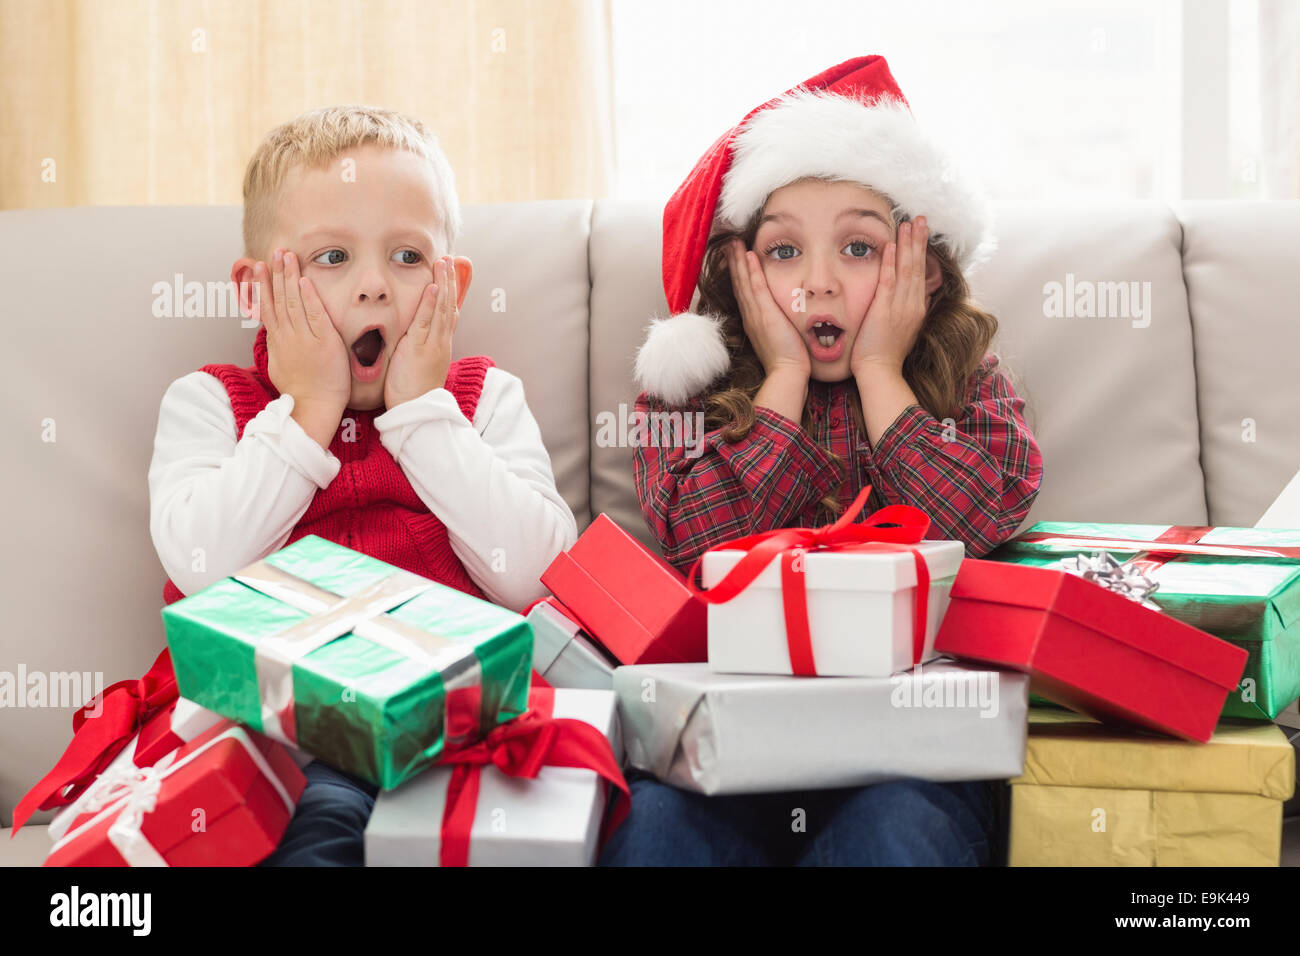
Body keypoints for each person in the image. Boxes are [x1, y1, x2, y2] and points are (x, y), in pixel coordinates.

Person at [601, 56, 1044, 866]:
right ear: (738, 273)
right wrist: (783, 382)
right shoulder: (687, 389)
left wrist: (880, 374)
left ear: (923, 269)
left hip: (912, 755)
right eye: (783, 254)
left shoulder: (968, 378)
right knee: (656, 836)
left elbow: (980, 519)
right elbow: (704, 547)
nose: (817, 286)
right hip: (730, 753)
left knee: (892, 839)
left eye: (858, 249)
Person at [144, 105, 577, 865]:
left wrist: (420, 414)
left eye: (408, 258)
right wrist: (309, 410)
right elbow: (203, 567)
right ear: (254, 292)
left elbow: (535, 573)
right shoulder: (211, 403)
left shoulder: (482, 401)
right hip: (287, 743)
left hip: (453, 734)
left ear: (454, 284)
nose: (375, 287)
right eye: (333, 259)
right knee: (320, 826)